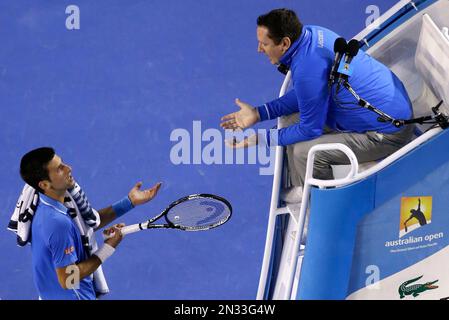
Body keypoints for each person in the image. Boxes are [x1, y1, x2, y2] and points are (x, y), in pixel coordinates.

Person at [220, 8, 414, 202]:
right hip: (388, 102)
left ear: (285, 43)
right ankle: (304, 188)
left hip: (389, 133)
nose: (259, 49)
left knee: (306, 153)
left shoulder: (306, 68)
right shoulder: (312, 34)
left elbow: (309, 129)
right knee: (288, 121)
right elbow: (308, 93)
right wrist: (258, 113)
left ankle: (318, 205)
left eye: (264, 44)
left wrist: (259, 139)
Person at [18, 147, 161, 299]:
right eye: (60, 168)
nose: (68, 168)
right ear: (44, 184)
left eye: (63, 163)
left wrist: (129, 202)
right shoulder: (57, 223)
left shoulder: (48, 201)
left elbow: (85, 225)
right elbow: (68, 279)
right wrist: (108, 248)